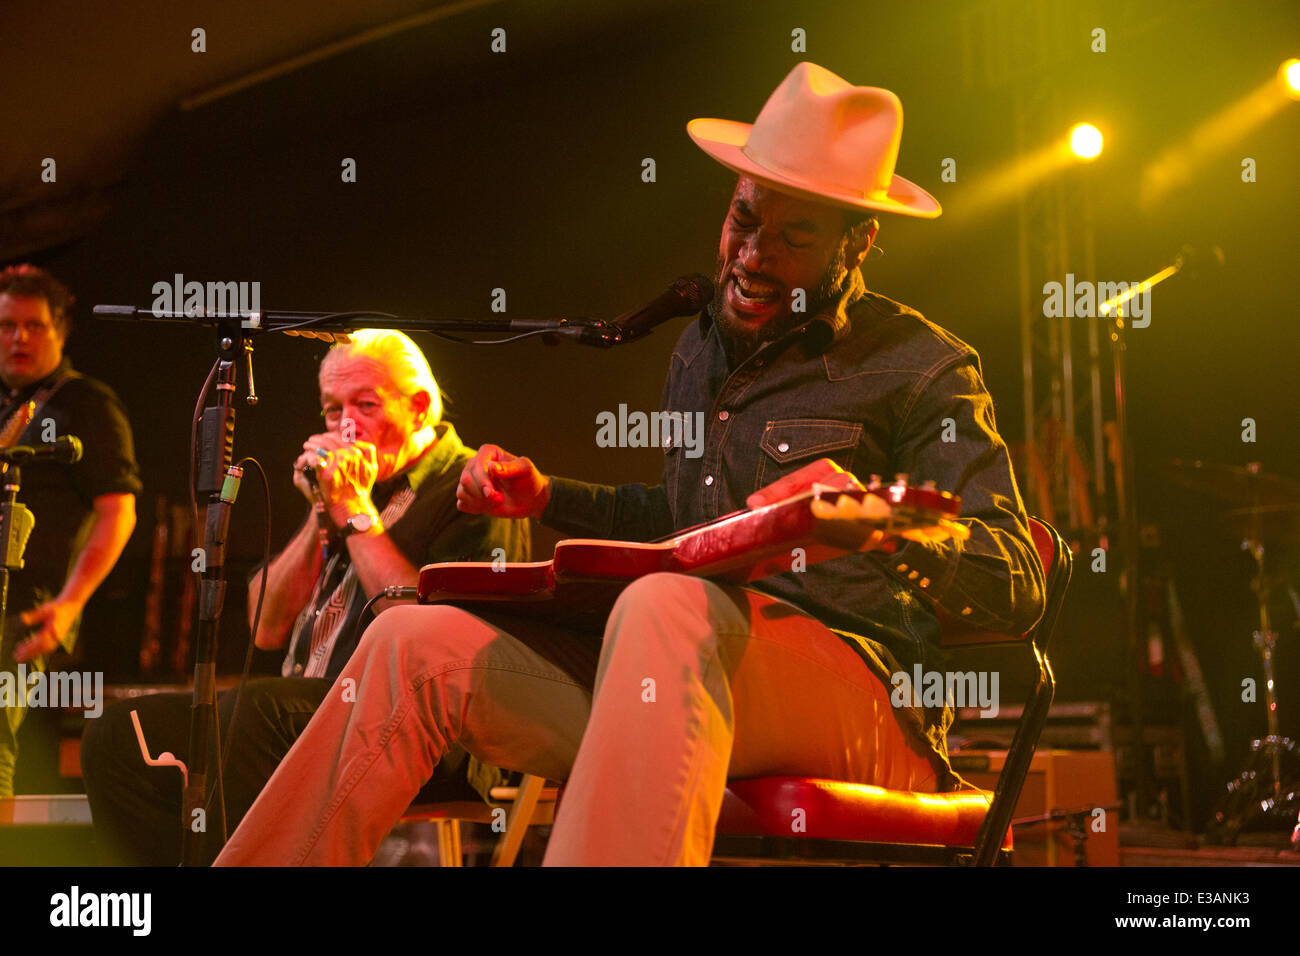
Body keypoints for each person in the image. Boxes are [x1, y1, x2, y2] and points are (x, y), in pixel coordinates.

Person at [215, 62, 1046, 866]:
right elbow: (680, 525)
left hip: (867, 701)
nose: (753, 256)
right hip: (681, 672)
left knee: (666, 606)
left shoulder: (923, 365)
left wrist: (882, 522)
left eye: (794, 236)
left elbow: (1016, 579)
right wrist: (545, 497)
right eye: (745, 219)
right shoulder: (697, 352)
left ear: (857, 242)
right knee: (408, 638)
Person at [81, 329, 528, 864]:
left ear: (419, 406)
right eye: (331, 408)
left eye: (365, 404)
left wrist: (353, 513)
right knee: (116, 736)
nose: (346, 425)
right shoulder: (352, 489)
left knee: (255, 711)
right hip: (308, 713)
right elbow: (265, 627)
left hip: (424, 732)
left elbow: (429, 641)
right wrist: (321, 512)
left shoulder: (468, 485)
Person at [0, 265, 140, 798]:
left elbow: (118, 511)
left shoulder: (88, 404)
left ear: (60, 330)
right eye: (7, 325)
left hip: (27, 609)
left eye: (34, 326)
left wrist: (69, 603)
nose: (19, 337)